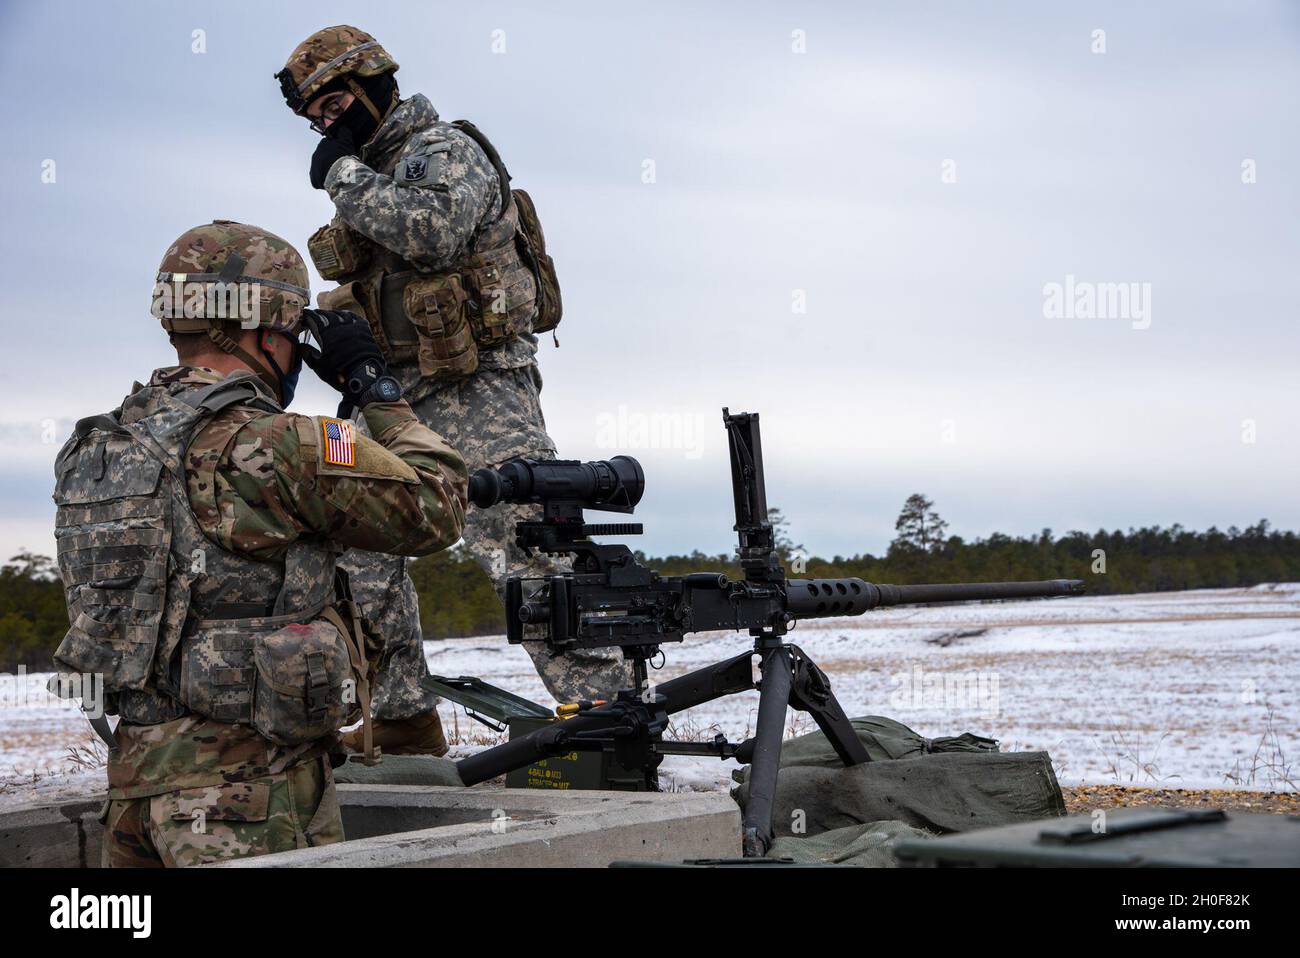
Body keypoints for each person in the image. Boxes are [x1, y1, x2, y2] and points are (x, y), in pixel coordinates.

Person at [48, 220, 467, 866]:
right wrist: (372, 384)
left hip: (132, 798)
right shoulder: (280, 445)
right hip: (251, 808)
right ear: (267, 330)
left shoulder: (97, 449)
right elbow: (439, 502)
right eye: (295, 335)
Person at [275, 25, 628, 756]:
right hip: (396, 396)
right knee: (353, 542)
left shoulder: (443, 151)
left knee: (531, 548)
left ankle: (609, 721)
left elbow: (432, 233)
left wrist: (340, 173)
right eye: (314, 115)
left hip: (481, 390)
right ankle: (405, 724)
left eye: (336, 102)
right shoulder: (371, 170)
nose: (325, 124)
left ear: (375, 86)